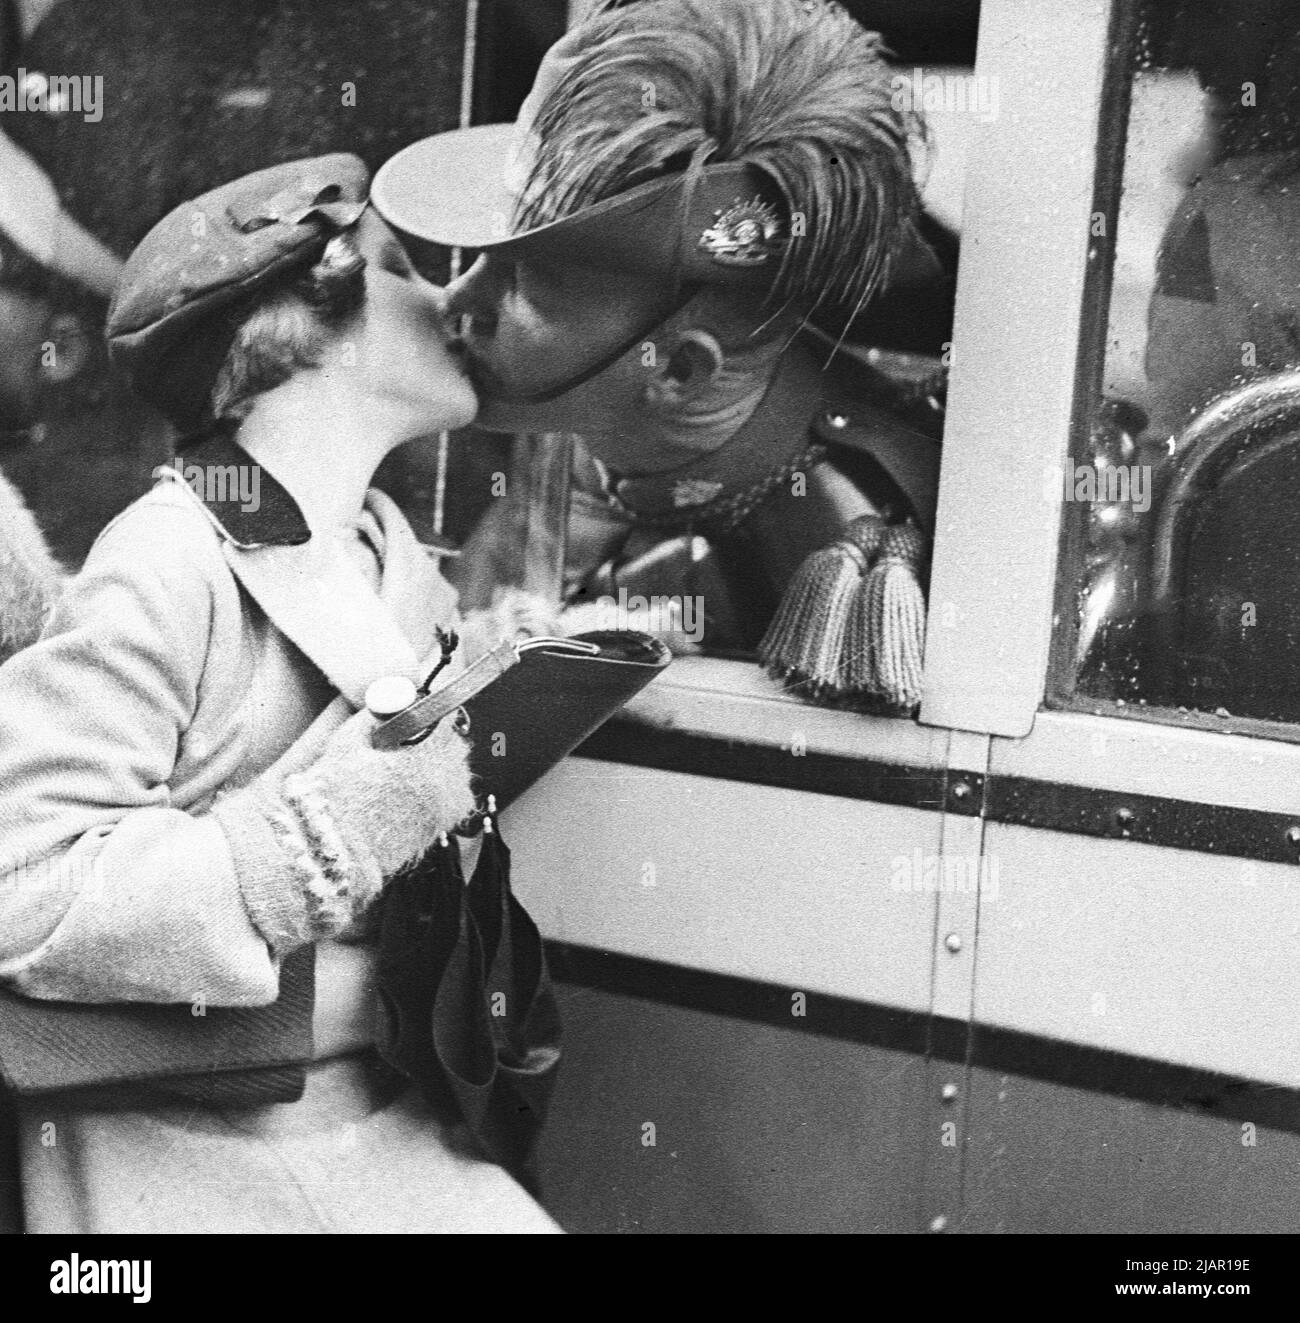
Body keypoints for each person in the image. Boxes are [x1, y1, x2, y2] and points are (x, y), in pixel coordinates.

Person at [0, 155, 561, 1233]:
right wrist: (322, 838)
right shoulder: (171, 557)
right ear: (298, 321)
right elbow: (24, 881)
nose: (452, 301)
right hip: (172, 1142)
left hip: (386, 1114)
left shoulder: (391, 563)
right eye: (403, 268)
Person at [374, 0, 945, 712]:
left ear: (678, 370)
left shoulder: (866, 539)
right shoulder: (558, 421)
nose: (459, 298)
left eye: (529, 285)